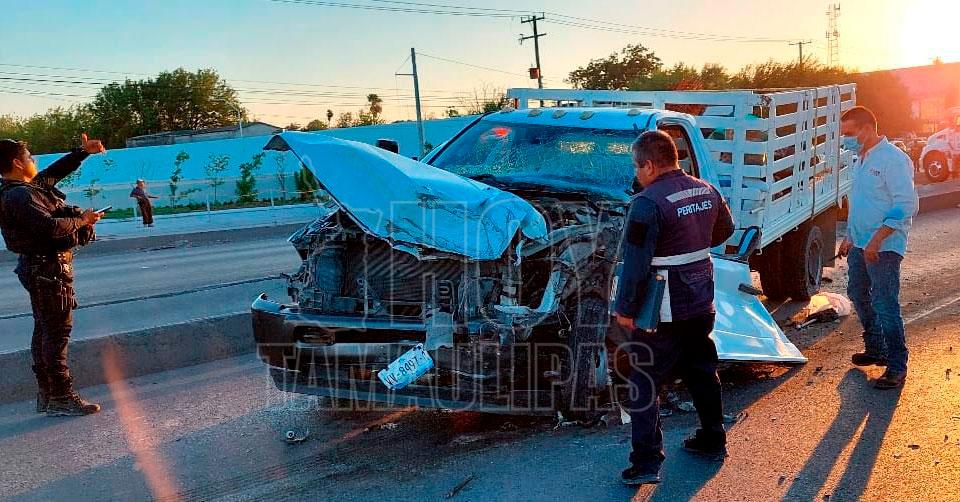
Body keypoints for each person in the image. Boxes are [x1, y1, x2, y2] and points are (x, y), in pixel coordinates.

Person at [612, 130, 735, 486]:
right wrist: (689, 246)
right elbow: (723, 230)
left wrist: (625, 308)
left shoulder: (647, 203)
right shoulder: (705, 189)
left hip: (662, 308)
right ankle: (713, 438)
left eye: (638, 167)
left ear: (649, 164)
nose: (636, 175)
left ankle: (646, 462)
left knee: (644, 381)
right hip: (701, 299)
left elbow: (635, 264)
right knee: (701, 369)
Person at [0, 134, 106, 416]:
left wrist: (82, 153)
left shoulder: (24, 189)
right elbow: (49, 228)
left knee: (45, 330)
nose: (33, 161)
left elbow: (53, 173)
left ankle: (48, 394)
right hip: (47, 270)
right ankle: (60, 395)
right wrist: (82, 220)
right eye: (29, 157)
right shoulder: (19, 195)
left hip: (43, 268)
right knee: (56, 333)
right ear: (17, 163)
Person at [838, 106, 919, 389]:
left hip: (883, 246)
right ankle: (877, 349)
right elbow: (860, 202)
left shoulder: (893, 159)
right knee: (858, 294)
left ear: (867, 129)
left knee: (885, 303)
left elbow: (906, 205)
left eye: (849, 133)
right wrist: (850, 236)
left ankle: (897, 366)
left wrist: (876, 239)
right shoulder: (859, 159)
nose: (845, 139)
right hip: (860, 243)